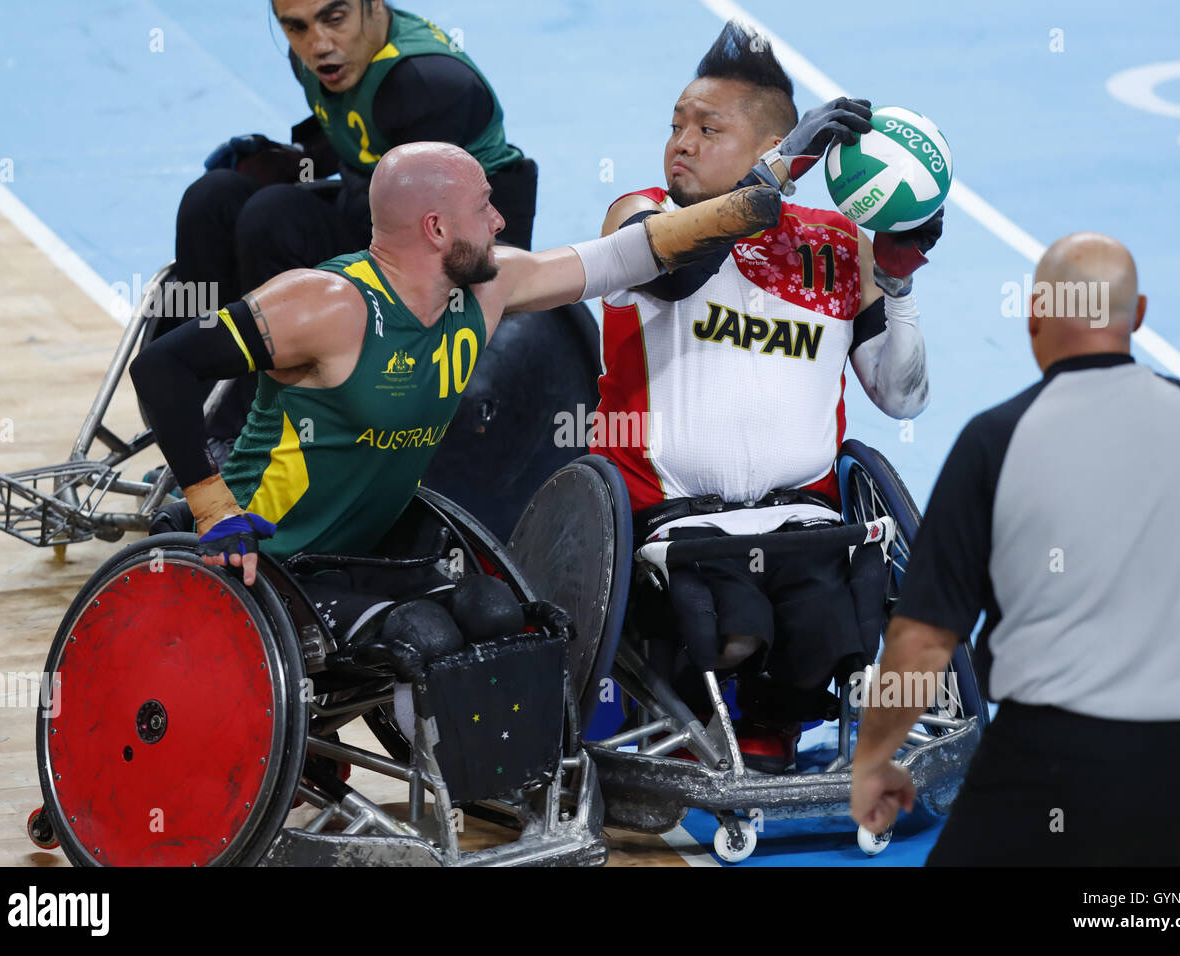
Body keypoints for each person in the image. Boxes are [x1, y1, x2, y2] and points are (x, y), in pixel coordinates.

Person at [130, 140, 786, 616]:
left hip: (356, 559)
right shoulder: (325, 304)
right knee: (434, 642)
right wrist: (213, 508)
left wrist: (754, 192)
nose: (500, 222)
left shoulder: (489, 287)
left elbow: (621, 257)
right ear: (438, 228)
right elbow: (163, 366)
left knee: (506, 623)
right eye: (485, 207)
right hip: (256, 562)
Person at [590, 22, 943, 771]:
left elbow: (901, 396)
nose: (680, 141)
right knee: (734, 618)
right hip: (673, 519)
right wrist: (777, 175)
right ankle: (708, 713)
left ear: (765, 144)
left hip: (801, 519)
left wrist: (900, 275)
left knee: (827, 613)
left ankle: (775, 724)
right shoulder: (639, 214)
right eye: (676, 124)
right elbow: (676, 273)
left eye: (707, 127)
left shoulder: (843, 243)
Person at [849, 231, 1180, 865]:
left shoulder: (995, 443)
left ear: (1034, 315)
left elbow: (922, 643)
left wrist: (873, 760)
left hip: (1049, 764)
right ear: (1139, 315)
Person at [168, 0, 539, 456]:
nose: (318, 44)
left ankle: (256, 430)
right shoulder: (317, 59)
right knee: (214, 198)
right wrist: (293, 163)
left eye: (334, 18)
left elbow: (439, 238)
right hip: (376, 205)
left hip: (465, 245)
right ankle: (192, 400)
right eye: (296, 26)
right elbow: (356, 132)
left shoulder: (428, 84)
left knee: (271, 218)